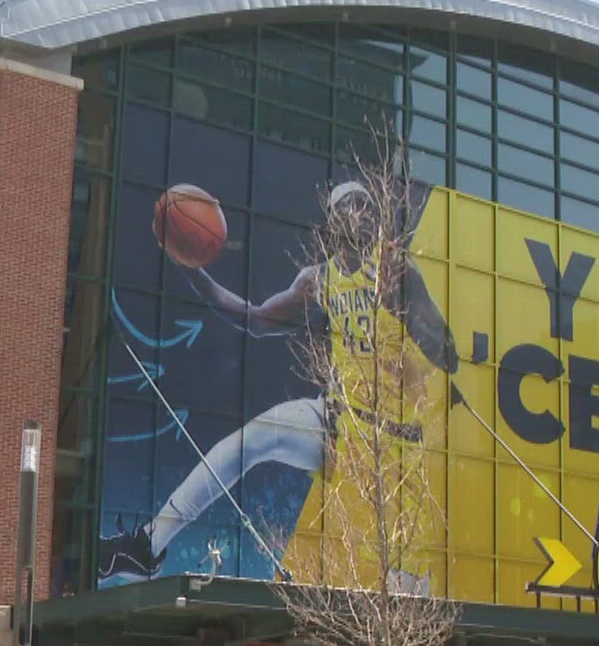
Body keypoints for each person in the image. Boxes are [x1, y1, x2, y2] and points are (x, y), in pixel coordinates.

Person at [99, 181, 459, 583]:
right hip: (339, 423)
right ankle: (147, 546)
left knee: (404, 589)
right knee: (250, 440)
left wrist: (407, 309)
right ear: (333, 220)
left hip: (393, 442)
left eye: (366, 205)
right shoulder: (319, 280)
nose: (360, 211)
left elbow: (448, 352)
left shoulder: (396, 270)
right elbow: (254, 320)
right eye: (349, 205)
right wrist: (192, 271)